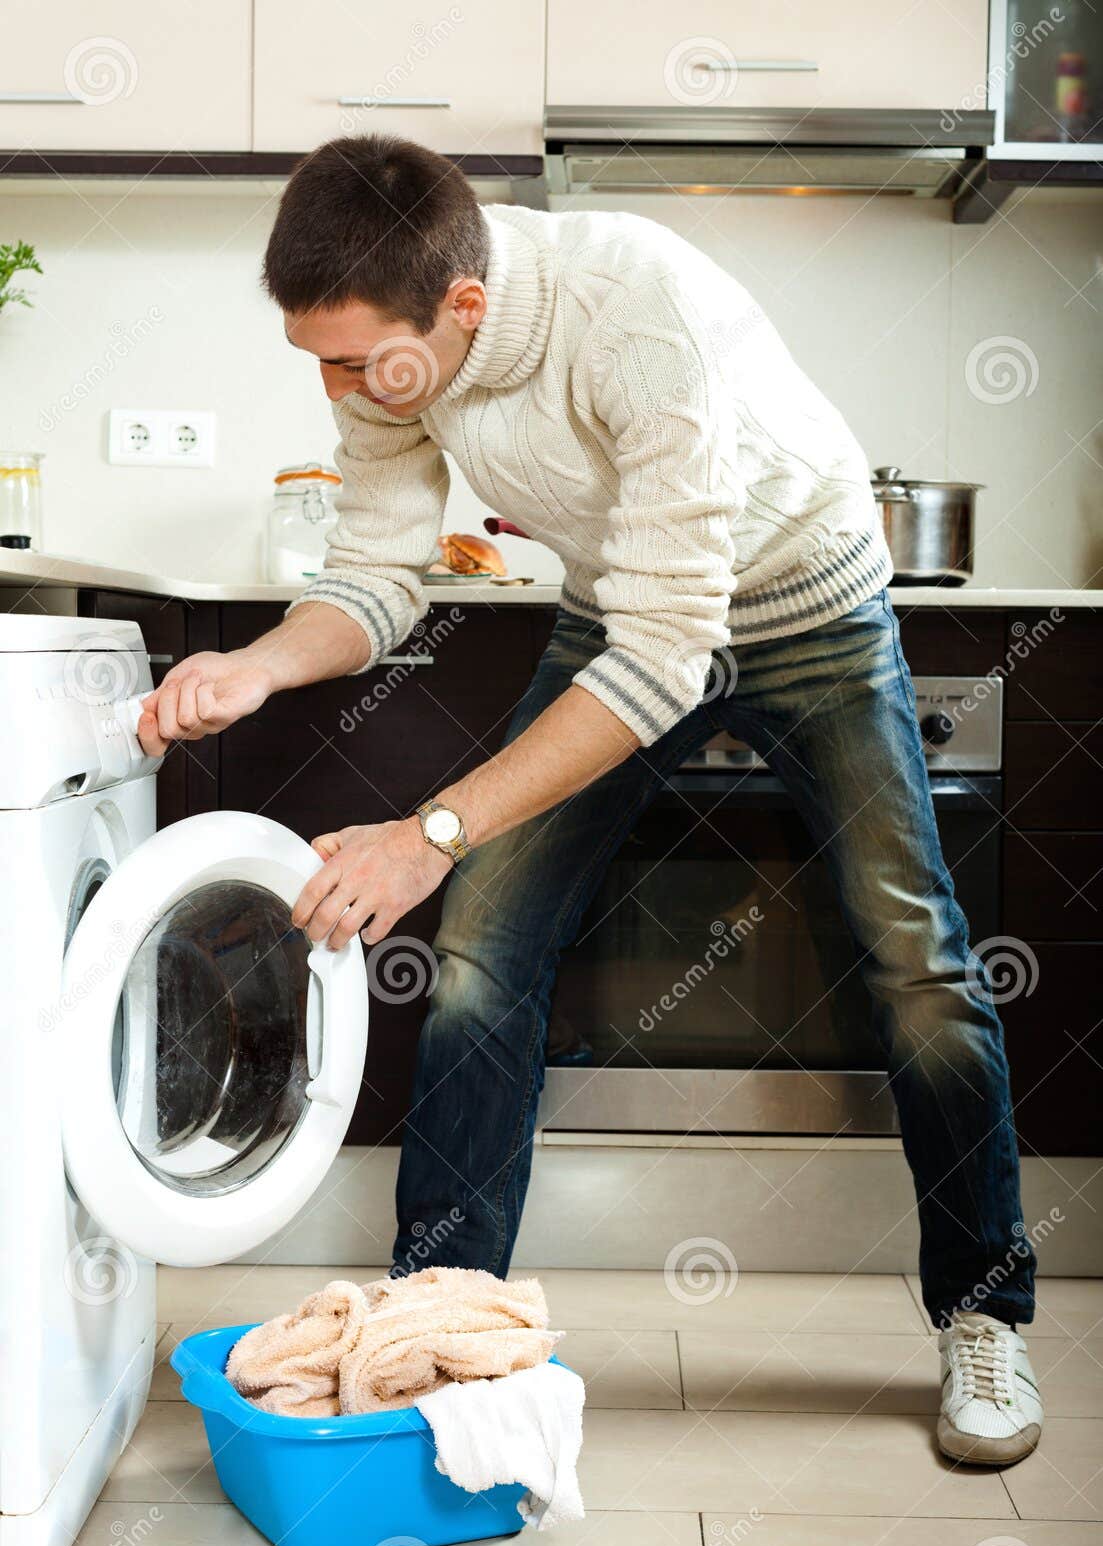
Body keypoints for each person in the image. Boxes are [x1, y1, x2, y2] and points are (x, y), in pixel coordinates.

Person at [140, 135, 1042, 1468]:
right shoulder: (395, 357)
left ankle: (987, 1316)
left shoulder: (632, 311)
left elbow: (671, 659)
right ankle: (437, 1326)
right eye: (318, 361)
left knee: (919, 960)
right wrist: (254, 666)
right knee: (478, 962)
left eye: (352, 360)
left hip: (808, 607)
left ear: (462, 307)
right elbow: (378, 572)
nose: (340, 390)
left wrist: (429, 831)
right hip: (625, 613)